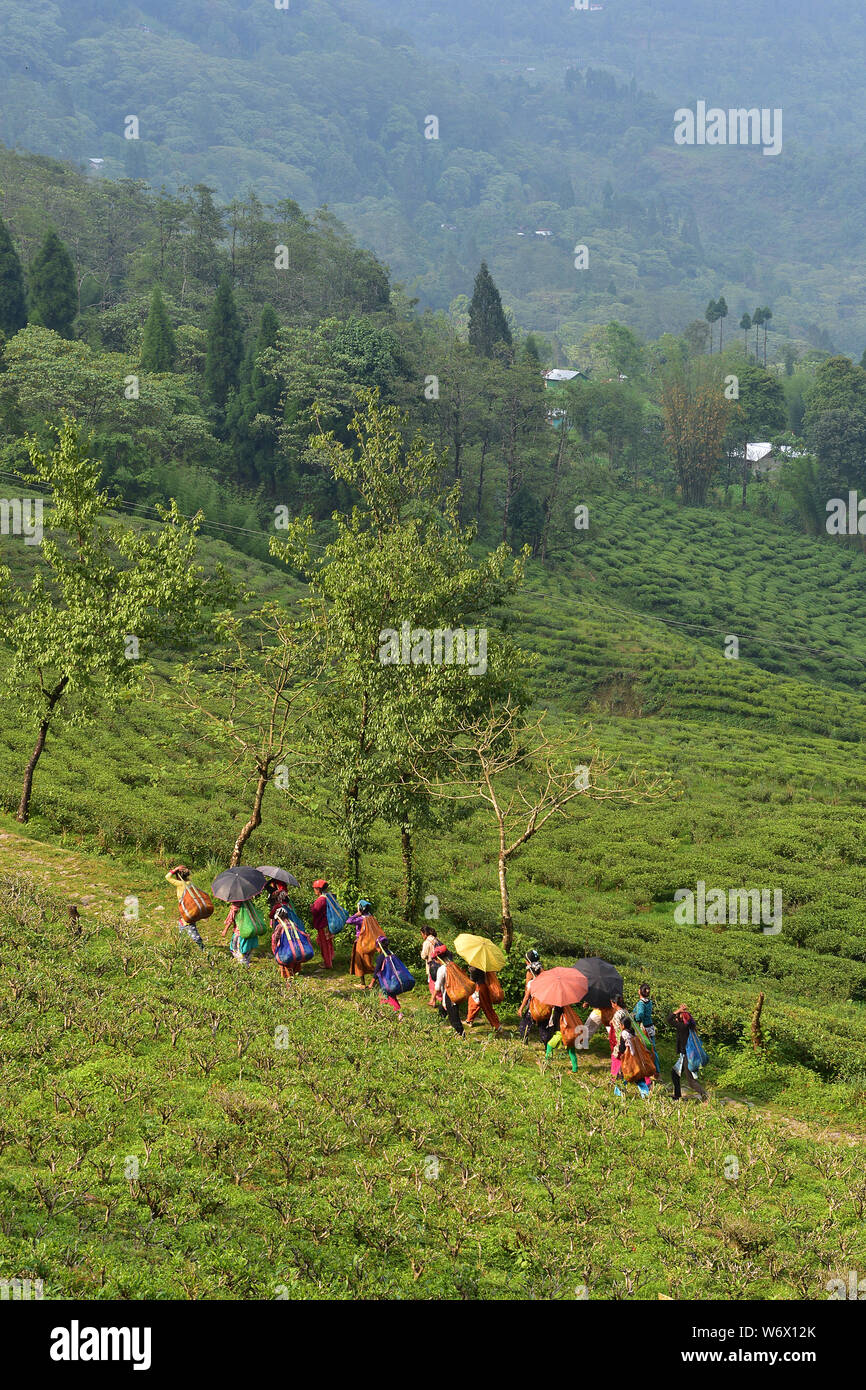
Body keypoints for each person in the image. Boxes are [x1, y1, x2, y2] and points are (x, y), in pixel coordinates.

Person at [667, 1004, 708, 1102]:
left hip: (687, 1056)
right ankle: (677, 1096)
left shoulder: (682, 1027)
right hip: (686, 1055)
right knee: (674, 1074)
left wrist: (678, 1010)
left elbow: (668, 1020)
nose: (676, 1018)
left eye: (678, 1016)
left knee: (691, 1080)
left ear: (681, 1018)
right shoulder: (689, 1026)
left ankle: (706, 1097)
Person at [266, 878, 303, 986]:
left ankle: (287, 977)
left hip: (283, 932)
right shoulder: (289, 906)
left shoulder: (278, 909)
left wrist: (275, 951)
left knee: (283, 947)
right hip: (293, 928)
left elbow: (271, 915)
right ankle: (296, 969)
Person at [165, 864, 205, 950]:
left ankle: (201, 947)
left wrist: (174, 870)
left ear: (178, 876)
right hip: (191, 909)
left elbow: (167, 877)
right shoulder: (189, 882)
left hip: (186, 911)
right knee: (182, 925)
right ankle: (181, 946)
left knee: (189, 927)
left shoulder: (180, 884)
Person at [347, 899, 383, 988]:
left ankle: (365, 983)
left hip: (361, 943)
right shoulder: (371, 917)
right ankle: (376, 980)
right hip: (370, 943)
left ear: (360, 909)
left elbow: (348, 921)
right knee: (368, 962)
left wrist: (356, 914)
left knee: (361, 963)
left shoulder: (360, 919)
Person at [517, 950, 551, 1043]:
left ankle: (524, 1041)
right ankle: (547, 1045)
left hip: (534, 1003)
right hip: (545, 1004)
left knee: (525, 1023)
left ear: (528, 961)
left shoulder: (529, 973)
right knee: (543, 1025)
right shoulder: (542, 970)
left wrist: (521, 1008)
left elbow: (527, 995)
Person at [433, 948, 464, 1037]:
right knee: (442, 1012)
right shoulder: (454, 965)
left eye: (436, 959)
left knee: (454, 1019)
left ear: (439, 958)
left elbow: (437, 986)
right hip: (457, 992)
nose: (435, 961)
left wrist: (433, 998)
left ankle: (462, 1037)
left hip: (449, 995)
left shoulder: (442, 969)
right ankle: (437, 1031)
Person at [220, 899, 259, 966]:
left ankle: (243, 967)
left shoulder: (235, 906)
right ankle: (245, 963)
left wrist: (225, 930)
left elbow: (230, 919)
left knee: (236, 949)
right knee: (248, 950)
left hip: (240, 933)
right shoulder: (249, 903)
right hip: (251, 931)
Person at [465, 965, 502, 1034]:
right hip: (485, 986)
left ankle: (497, 1026)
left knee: (486, 1007)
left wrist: (470, 970)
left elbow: (473, 978)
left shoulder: (475, 966)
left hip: (479, 987)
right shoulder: (485, 963)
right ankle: (469, 1020)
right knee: (473, 1003)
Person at [634, 982, 660, 1072]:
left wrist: (635, 1017)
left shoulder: (641, 1003)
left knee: (645, 1049)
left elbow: (640, 1014)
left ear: (640, 991)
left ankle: (649, 1069)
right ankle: (657, 1070)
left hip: (644, 1028)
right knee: (653, 1049)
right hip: (651, 1026)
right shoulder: (650, 1002)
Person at [545, 1005, 579, 1072]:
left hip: (561, 1032)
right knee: (571, 1050)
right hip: (569, 1031)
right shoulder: (567, 1008)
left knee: (549, 1045)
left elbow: (555, 1020)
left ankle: (546, 1064)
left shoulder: (558, 1008)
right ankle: (575, 1069)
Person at [310, 879, 335, 969]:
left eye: (315, 889)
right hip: (327, 924)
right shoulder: (328, 897)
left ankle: (328, 964)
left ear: (318, 889)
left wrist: (312, 907)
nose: (314, 890)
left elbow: (315, 911)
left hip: (322, 925)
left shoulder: (321, 900)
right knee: (327, 942)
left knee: (324, 944)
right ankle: (330, 958)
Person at [420, 924, 444, 1007]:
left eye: (422, 934)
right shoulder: (436, 940)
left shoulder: (427, 942)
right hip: (440, 965)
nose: (422, 936)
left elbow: (424, 955)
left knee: (433, 984)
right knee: (439, 982)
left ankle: (441, 1001)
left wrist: (422, 953)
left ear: (424, 933)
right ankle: (433, 1000)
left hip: (432, 966)